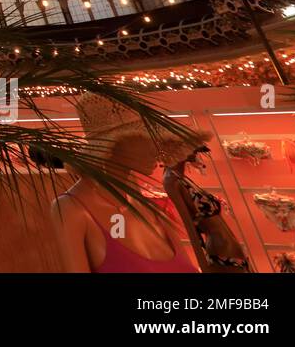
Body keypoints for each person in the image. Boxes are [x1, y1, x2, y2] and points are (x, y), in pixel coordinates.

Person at [51, 94, 197, 273]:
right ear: (115, 144)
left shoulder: (153, 210)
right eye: (144, 138)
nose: (156, 150)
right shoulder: (72, 209)